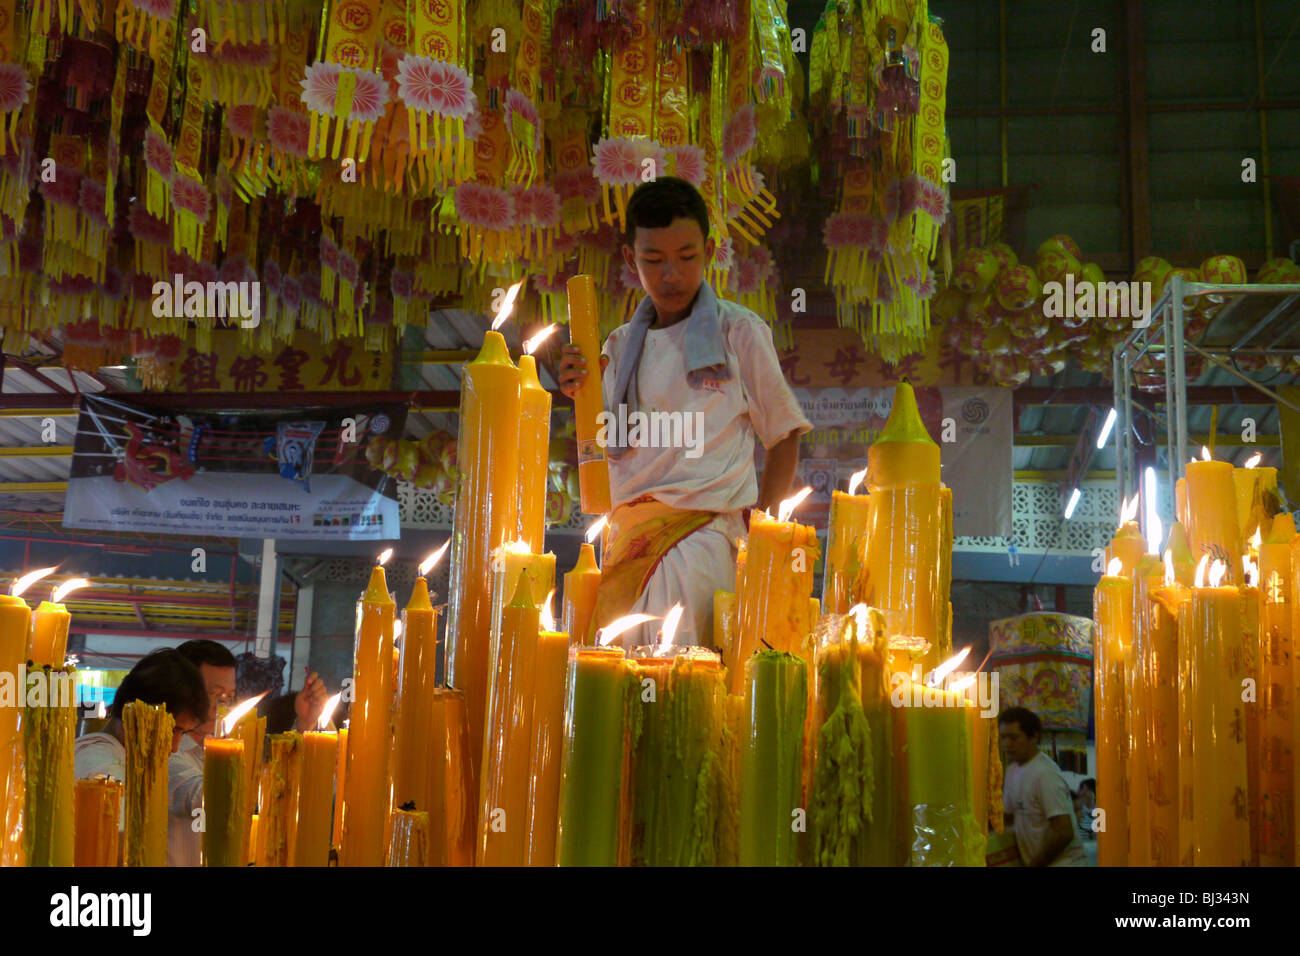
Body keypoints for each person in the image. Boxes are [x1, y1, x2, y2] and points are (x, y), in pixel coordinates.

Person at [557, 176, 811, 647]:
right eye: (654, 260)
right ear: (631, 259)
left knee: (682, 690)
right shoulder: (613, 347)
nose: (671, 274)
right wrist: (579, 389)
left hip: (703, 543)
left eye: (687, 257)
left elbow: (784, 434)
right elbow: (600, 447)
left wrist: (764, 541)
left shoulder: (739, 332)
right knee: (618, 694)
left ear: (709, 252)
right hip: (625, 545)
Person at [74, 648, 209, 847]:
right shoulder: (97, 759)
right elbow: (113, 846)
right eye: (171, 730)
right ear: (133, 711)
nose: (174, 747)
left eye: (183, 733)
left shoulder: (130, 758)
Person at [168, 640, 238, 867]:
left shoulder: (216, 750)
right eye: (215, 693)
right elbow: (203, 797)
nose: (223, 704)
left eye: (229, 695)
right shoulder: (169, 750)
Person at [998, 706, 1087, 866]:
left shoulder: (1045, 774)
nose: (1006, 744)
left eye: (1013, 737)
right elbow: (1009, 816)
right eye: (1003, 737)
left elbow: (1064, 833)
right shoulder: (1012, 770)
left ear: (1033, 737)